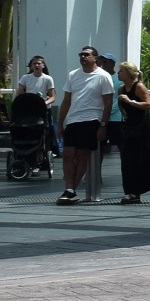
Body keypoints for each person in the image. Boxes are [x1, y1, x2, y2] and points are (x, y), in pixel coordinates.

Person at [55, 45, 116, 204]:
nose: (83, 57)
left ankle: (71, 190)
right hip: (73, 120)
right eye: (81, 55)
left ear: (95, 58)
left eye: (86, 55)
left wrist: (103, 125)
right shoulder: (73, 75)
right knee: (68, 154)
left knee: (83, 155)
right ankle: (69, 189)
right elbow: (66, 100)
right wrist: (60, 123)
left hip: (92, 120)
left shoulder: (103, 76)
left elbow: (108, 102)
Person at [112, 61, 150, 204]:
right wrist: (123, 109)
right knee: (128, 158)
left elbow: (148, 104)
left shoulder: (139, 87)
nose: (118, 73)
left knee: (148, 156)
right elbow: (121, 104)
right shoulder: (121, 89)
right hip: (130, 126)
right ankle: (132, 191)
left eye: (121, 71)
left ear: (129, 74)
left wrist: (130, 102)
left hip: (144, 126)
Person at [19, 54, 59, 158]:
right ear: (31, 66)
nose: (37, 65)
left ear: (43, 66)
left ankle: (42, 155)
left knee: (43, 133)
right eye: (34, 64)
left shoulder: (48, 79)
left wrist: (43, 103)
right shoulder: (25, 78)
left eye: (39, 64)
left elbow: (52, 97)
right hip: (29, 110)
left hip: (43, 110)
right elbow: (19, 94)